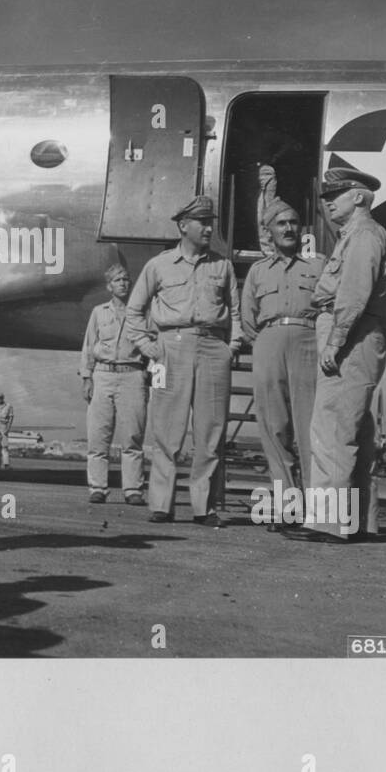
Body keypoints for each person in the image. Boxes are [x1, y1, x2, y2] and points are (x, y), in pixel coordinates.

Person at [126, 195, 242, 527]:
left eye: (210, 223)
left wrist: (231, 348)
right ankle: (161, 505)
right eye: (202, 223)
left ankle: (204, 507)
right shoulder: (158, 265)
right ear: (183, 226)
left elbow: (235, 313)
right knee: (166, 429)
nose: (208, 228)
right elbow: (134, 311)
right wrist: (148, 347)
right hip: (169, 349)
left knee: (210, 431)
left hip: (213, 348)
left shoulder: (223, 266)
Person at [306, 167, 386, 540]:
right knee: (355, 431)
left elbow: (353, 294)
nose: (328, 202)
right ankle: (359, 522)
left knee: (331, 430)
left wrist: (335, 341)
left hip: (350, 336)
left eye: (335, 195)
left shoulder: (362, 236)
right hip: (359, 337)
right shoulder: (364, 235)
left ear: (358, 197)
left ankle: (328, 523)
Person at [240, 198, 326, 529]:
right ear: (269, 231)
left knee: (309, 428)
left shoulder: (318, 264)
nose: (289, 228)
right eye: (281, 223)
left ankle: (317, 512)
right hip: (269, 342)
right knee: (274, 427)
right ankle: (289, 509)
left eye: (293, 222)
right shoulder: (258, 271)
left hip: (308, 342)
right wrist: (266, 343)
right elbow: (248, 319)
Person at [79, 264, 147, 505]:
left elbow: (152, 345)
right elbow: (89, 345)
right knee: (98, 436)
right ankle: (97, 487)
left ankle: (133, 489)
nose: (123, 283)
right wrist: (86, 378)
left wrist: (150, 377)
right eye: (117, 280)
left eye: (126, 279)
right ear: (109, 286)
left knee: (132, 437)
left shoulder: (141, 313)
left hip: (132, 375)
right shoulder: (99, 312)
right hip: (103, 375)